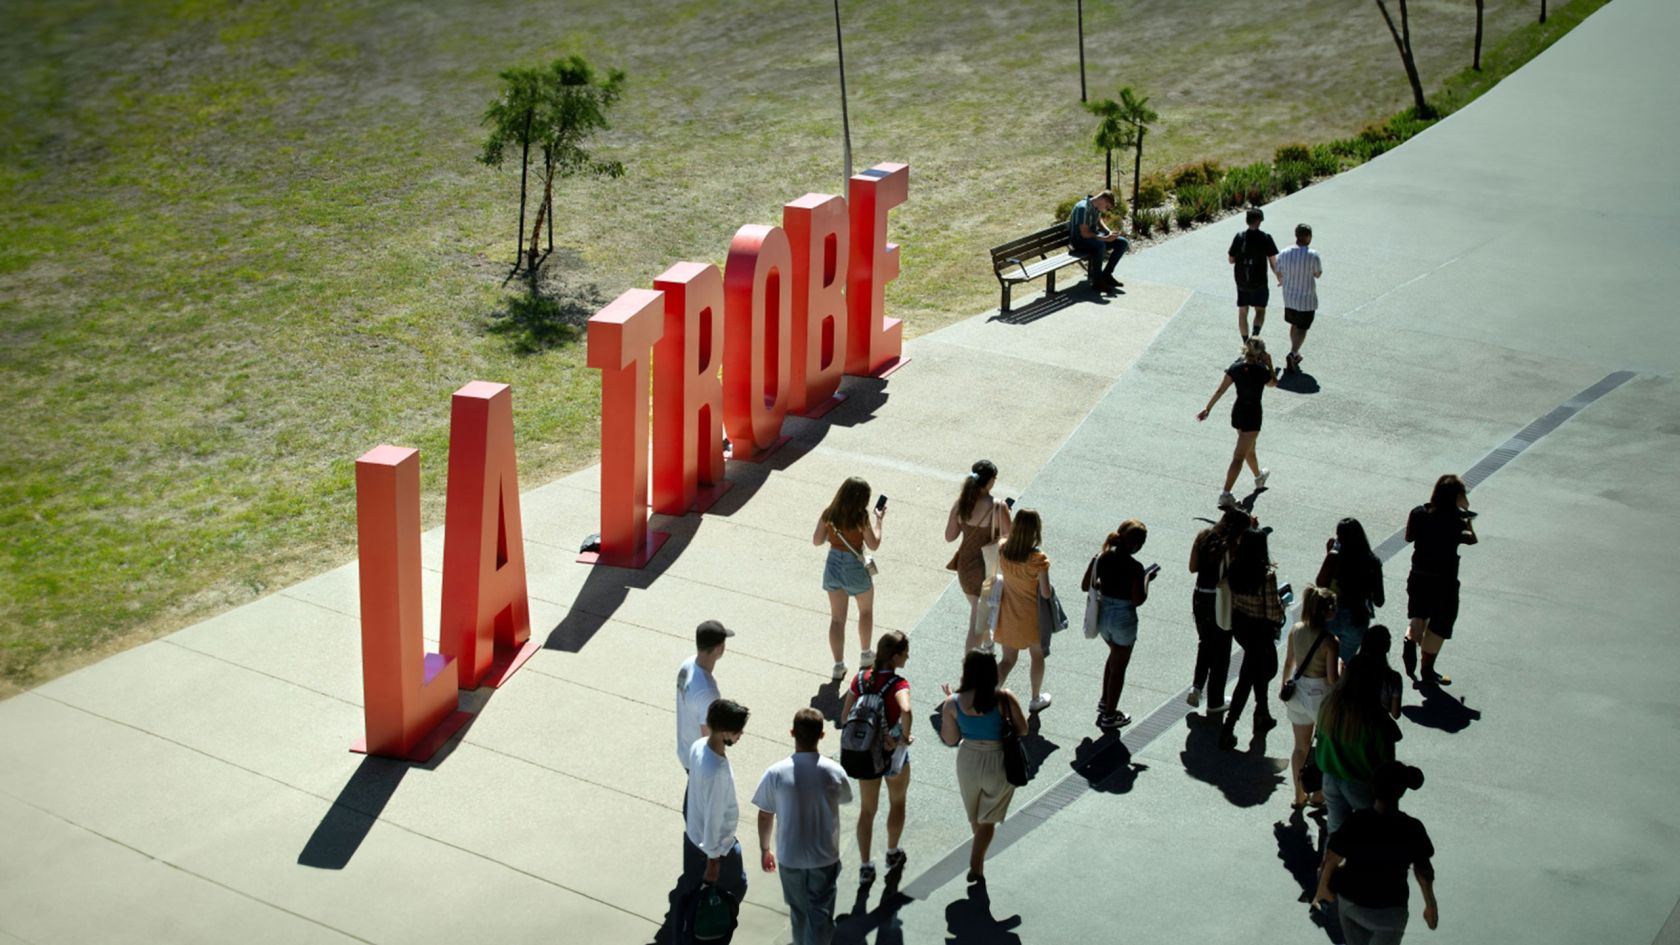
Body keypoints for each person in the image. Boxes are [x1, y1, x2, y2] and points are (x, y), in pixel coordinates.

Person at [753, 708, 853, 945]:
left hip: (790, 857)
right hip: (824, 857)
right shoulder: (834, 771)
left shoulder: (775, 773)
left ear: (792, 733)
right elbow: (846, 798)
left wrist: (765, 849)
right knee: (820, 912)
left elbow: (765, 815)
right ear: (822, 735)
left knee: (798, 912)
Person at [1315, 762, 1439, 944]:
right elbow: (1424, 871)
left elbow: (1331, 858)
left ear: (1373, 787)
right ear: (1402, 791)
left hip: (1352, 904)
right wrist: (1430, 905)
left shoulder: (1356, 821)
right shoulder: (1412, 828)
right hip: (1390, 911)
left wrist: (1322, 891)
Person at [939, 649, 1029, 884]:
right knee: (989, 817)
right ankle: (976, 862)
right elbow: (1023, 729)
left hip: (967, 760)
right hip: (998, 759)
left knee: (975, 814)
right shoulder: (1004, 698)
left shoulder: (952, 703)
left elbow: (950, 739)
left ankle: (978, 862)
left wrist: (951, 706)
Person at [838, 631, 914, 883]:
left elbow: (844, 717)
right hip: (892, 755)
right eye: (905, 653)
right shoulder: (899, 684)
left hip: (866, 754)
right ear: (895, 657)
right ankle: (892, 853)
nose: (907, 657)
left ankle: (865, 866)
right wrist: (904, 736)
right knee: (897, 802)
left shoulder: (860, 680)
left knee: (867, 810)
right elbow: (906, 710)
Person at [682, 699, 752, 931]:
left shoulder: (698, 745)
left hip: (694, 837)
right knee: (734, 890)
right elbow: (714, 818)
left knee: (694, 895)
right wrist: (713, 860)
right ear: (724, 731)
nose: (741, 734)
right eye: (738, 730)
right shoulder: (717, 772)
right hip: (716, 848)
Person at [1403, 474, 1478, 686]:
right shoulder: (1455, 520)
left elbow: (1408, 537)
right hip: (1444, 580)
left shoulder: (1418, 513)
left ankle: (1410, 639)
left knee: (1418, 616)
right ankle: (1427, 670)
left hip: (1419, 575)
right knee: (1440, 623)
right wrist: (1467, 514)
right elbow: (1471, 540)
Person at [1315, 660, 1403, 837]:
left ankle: (1330, 855)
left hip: (1330, 778)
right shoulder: (1374, 716)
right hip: (1361, 782)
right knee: (1371, 833)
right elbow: (1386, 761)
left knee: (1336, 833)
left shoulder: (1329, 705)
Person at [1081, 519, 1155, 729]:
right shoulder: (1136, 567)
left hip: (1103, 616)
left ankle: (1105, 701)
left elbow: (1086, 585)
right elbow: (1138, 599)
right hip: (1123, 619)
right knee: (1119, 667)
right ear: (1136, 545)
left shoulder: (1101, 557)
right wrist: (1147, 579)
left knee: (1114, 657)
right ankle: (1110, 715)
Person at [1218, 526, 1284, 751]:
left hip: (1241, 627)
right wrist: (1282, 609)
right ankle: (1228, 727)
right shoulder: (1266, 576)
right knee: (1251, 676)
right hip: (1261, 631)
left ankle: (1262, 712)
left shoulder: (1235, 568)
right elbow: (1273, 612)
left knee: (1257, 670)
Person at [813, 476, 885, 680]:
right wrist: (879, 520)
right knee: (865, 611)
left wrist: (833, 537)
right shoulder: (861, 517)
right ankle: (865, 654)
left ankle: (838, 665)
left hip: (833, 565)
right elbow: (874, 544)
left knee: (837, 619)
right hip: (855, 567)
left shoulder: (829, 513)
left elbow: (817, 540)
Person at [1196, 336, 1277, 510]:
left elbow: (1221, 389)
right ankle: (1225, 494)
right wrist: (1270, 364)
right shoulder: (1262, 371)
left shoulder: (1235, 368)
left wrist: (1208, 408)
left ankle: (1259, 477)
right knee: (1239, 456)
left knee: (1249, 448)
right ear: (1261, 353)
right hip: (1253, 415)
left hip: (1238, 412)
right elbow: (1273, 383)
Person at [1187, 507, 1252, 714]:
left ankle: (1197, 686)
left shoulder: (1204, 536)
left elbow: (1193, 567)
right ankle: (1215, 701)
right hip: (1221, 600)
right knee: (1222, 651)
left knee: (1205, 642)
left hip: (1200, 596)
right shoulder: (1234, 545)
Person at [944, 460, 1013, 652]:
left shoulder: (961, 504)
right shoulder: (998, 507)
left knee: (979, 612)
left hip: (965, 567)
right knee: (977, 621)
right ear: (990, 481)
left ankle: (988, 646)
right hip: (987, 567)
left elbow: (949, 536)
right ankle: (970, 662)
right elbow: (1010, 540)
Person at [1282, 585, 1340, 809]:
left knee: (1300, 747)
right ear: (1325, 611)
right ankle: (1318, 794)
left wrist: (1284, 686)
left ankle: (1299, 796)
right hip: (1320, 695)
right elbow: (1332, 679)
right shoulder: (1330, 641)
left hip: (1297, 691)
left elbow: (1289, 663)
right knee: (1325, 747)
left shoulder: (1296, 630)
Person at [992, 508, 1053, 713]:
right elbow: (1045, 593)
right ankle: (1035, 698)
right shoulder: (1038, 560)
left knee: (1008, 660)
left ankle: (989, 696)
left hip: (1009, 613)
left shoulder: (1003, 550)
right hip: (1032, 616)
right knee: (1037, 656)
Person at [1316, 518, 1385, 663]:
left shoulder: (1335, 557)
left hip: (1331, 615)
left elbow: (1320, 584)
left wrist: (1329, 554)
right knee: (1342, 664)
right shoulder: (1372, 562)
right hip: (1357, 619)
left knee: (1322, 663)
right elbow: (1379, 601)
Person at [677, 620, 733, 780]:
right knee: (694, 796)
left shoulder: (687, 665)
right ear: (720, 648)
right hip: (698, 763)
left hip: (685, 750)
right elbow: (709, 739)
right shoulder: (708, 693)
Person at [1275, 223, 1323, 374]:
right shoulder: (1313, 255)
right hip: (1306, 299)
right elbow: (1317, 274)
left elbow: (1278, 271)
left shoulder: (1284, 253)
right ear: (1308, 237)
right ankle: (1293, 353)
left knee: (1294, 324)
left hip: (1289, 297)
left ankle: (1294, 352)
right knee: (1302, 328)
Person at [1228, 207, 1280, 340]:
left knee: (1243, 311)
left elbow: (1231, 260)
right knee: (1260, 310)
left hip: (1242, 283)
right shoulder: (1265, 238)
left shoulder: (1239, 237)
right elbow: (1273, 262)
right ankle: (1255, 337)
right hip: (1259, 283)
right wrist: (1279, 277)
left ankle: (1245, 343)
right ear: (1259, 221)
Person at [1068, 190, 1128, 291]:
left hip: (1092, 238)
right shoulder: (1083, 208)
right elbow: (1084, 233)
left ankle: (1107, 275)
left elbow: (1099, 220)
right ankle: (1097, 281)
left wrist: (1108, 232)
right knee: (1100, 245)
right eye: (1107, 207)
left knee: (1122, 243)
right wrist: (1105, 238)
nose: (1106, 210)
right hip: (1080, 241)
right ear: (1103, 200)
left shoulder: (1095, 206)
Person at [1354, 624, 1405, 720]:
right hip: (1378, 722)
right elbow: (1395, 714)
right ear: (1387, 647)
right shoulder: (1394, 678)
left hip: (1353, 721)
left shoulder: (1353, 667)